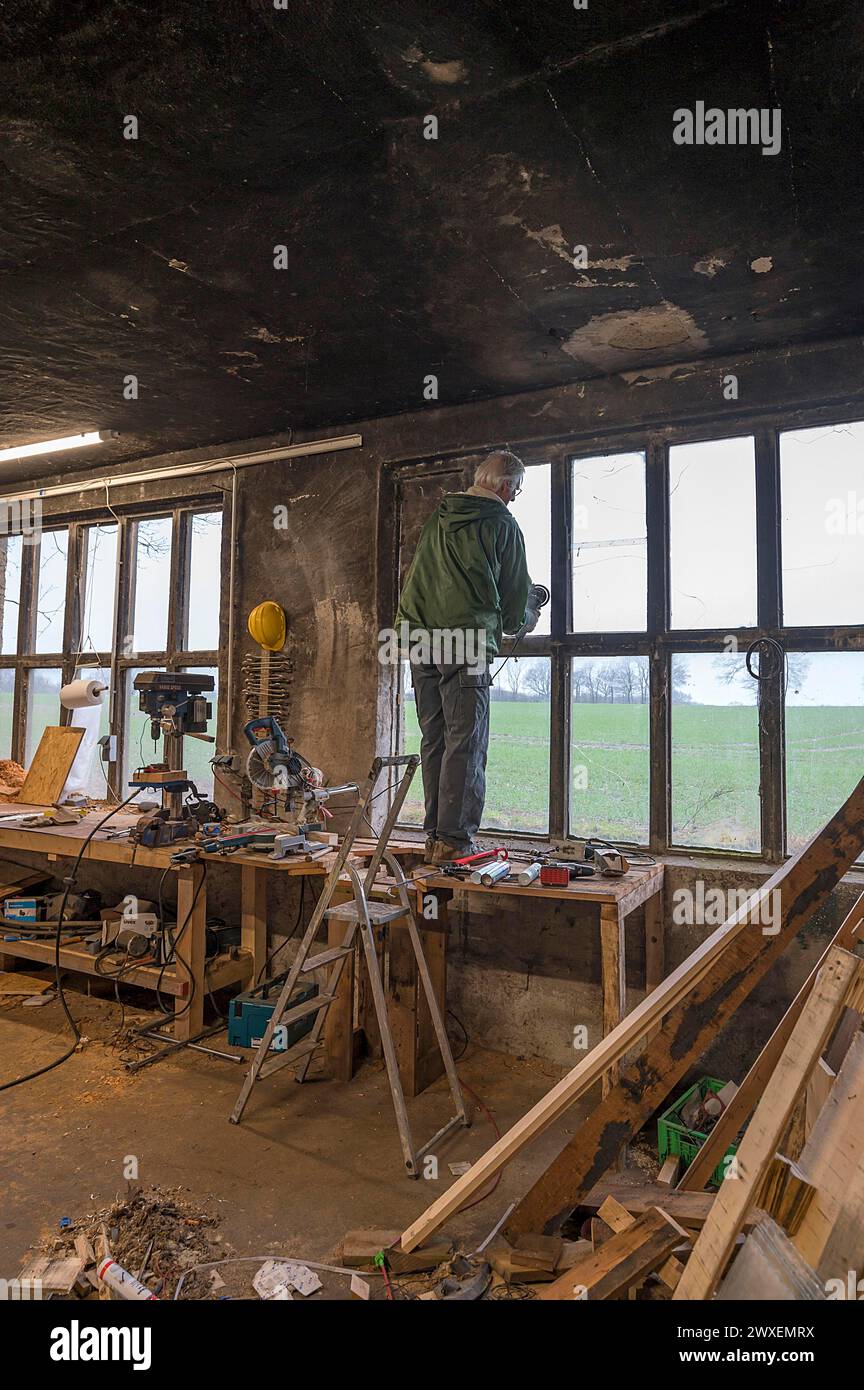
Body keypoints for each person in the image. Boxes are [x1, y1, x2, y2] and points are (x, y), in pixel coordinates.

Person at [395, 450, 545, 864]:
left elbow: (419, 581)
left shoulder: (439, 519)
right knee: (467, 741)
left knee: (436, 740)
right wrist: (530, 611)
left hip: (420, 641)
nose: (515, 496)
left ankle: (435, 837)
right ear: (503, 485)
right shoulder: (502, 524)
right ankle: (454, 841)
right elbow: (515, 610)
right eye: (516, 489)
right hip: (465, 643)